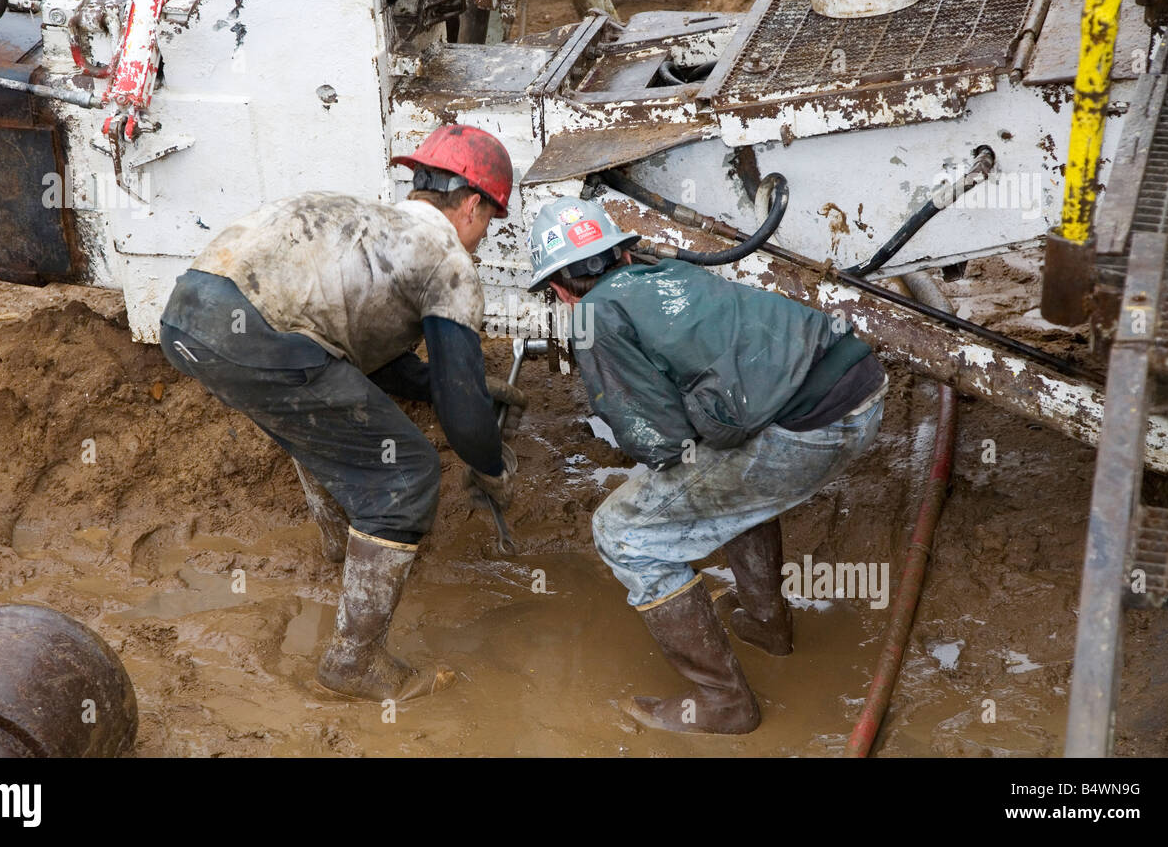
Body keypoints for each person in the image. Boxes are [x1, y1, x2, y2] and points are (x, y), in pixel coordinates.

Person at [157, 124, 527, 702]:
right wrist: (490, 464)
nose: (482, 239)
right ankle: (354, 663)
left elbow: (365, 359)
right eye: (489, 223)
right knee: (406, 474)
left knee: (325, 419)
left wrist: (447, 388)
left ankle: (343, 557)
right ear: (474, 205)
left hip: (188, 318)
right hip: (262, 338)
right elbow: (462, 420)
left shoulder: (361, 220)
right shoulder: (446, 258)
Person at [527, 196, 887, 734]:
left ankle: (723, 701)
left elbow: (661, 441)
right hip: (861, 389)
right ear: (623, 255)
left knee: (623, 532)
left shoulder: (593, 317)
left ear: (558, 288)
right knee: (725, 471)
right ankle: (768, 624)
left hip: (810, 430)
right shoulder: (671, 273)